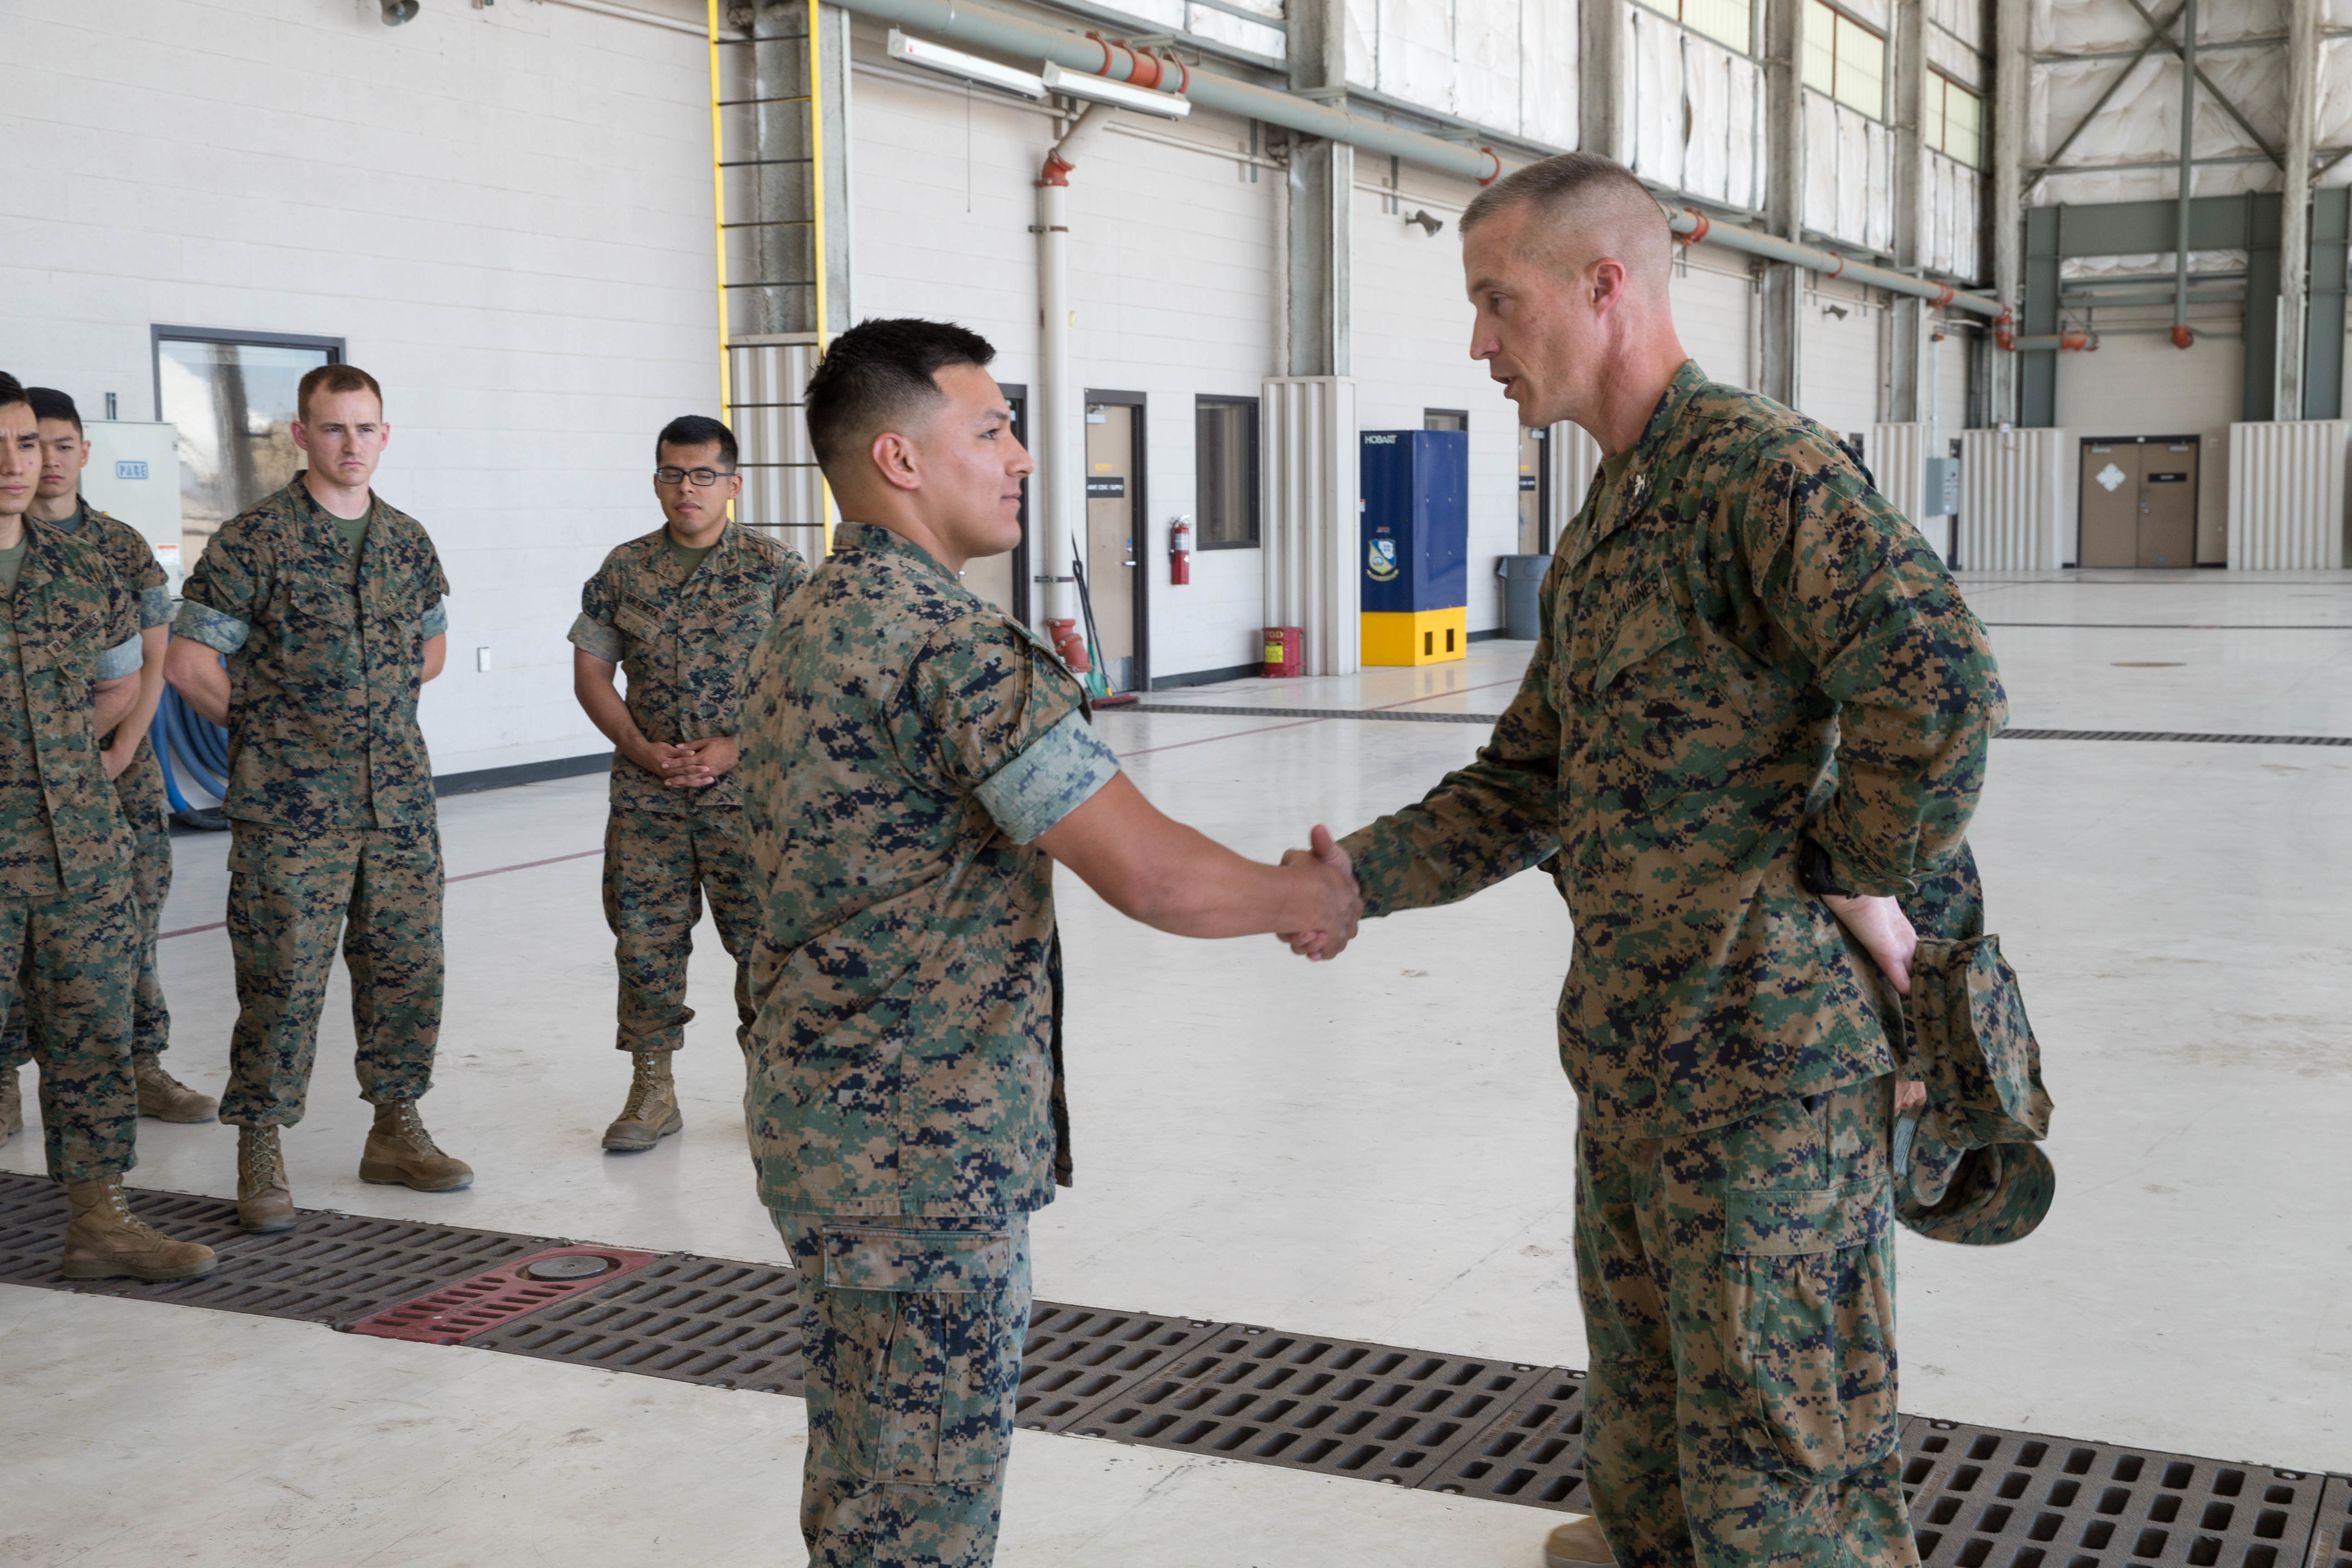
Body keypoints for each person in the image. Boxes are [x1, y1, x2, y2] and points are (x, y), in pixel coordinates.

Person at [1281, 153, 2006, 1568]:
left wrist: (1848, 867)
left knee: (1786, 1458)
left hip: (1771, 1073)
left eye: (1498, 301)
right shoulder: (1607, 527)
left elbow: (1945, 688)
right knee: (1652, 1415)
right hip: (1638, 1060)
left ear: (1605, 287)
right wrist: (1352, 876)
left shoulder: (1761, 474)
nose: (1478, 341)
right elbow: (1531, 782)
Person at [735, 317, 1361, 1568]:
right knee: (919, 1513)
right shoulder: (950, 650)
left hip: (831, 1133)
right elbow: (1153, 873)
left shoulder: (809, 620)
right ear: (900, 459)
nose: (1021, 457)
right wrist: (1318, 897)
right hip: (921, 1158)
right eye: (993, 428)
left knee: (871, 1482)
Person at [164, 363, 466, 1233]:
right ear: (300, 435)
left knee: (407, 970)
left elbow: (433, 651)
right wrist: (276, 734)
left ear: (385, 433)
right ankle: (261, 1147)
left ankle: (396, 1128)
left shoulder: (407, 540)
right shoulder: (256, 541)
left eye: (366, 428)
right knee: (281, 980)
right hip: (291, 812)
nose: (352, 446)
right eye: (333, 429)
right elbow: (189, 665)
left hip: (398, 804)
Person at [0, 372, 215, 1279]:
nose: (16, 466)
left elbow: (123, 678)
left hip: (79, 844)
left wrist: (64, 746)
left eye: (22, 444)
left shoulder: (85, 565)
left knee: (92, 1034)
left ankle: (102, 1222)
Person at [568, 415, 806, 1151]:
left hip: (749, 797)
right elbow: (591, 672)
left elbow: (812, 681)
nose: (687, 489)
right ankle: (651, 1093)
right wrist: (639, 748)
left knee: (763, 946)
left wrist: (738, 748)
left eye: (704, 475)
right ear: (656, 481)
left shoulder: (775, 570)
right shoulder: (625, 569)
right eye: (673, 473)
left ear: (734, 484)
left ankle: (773, 1093)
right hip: (649, 798)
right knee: (645, 944)